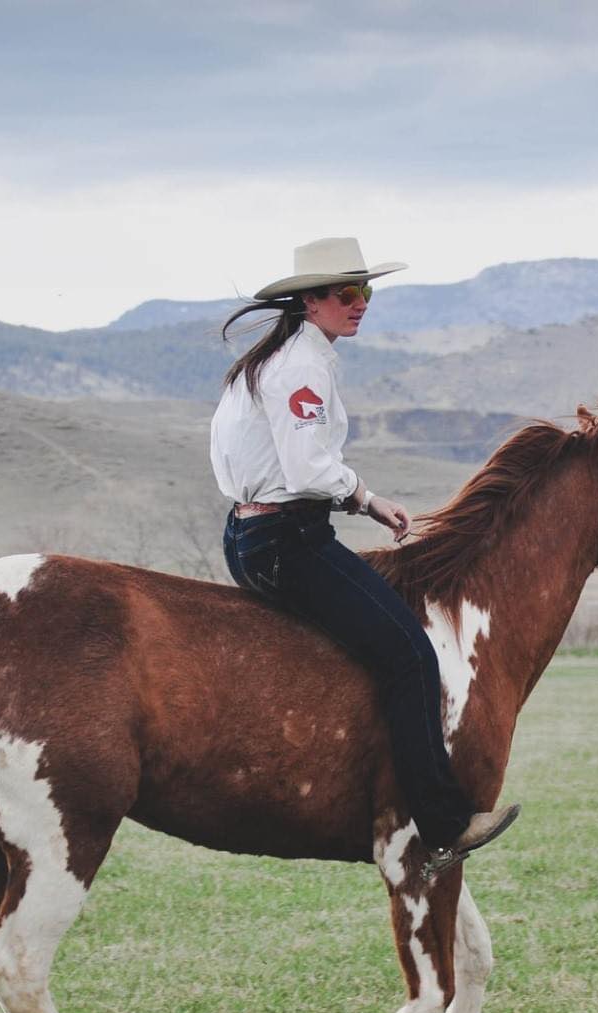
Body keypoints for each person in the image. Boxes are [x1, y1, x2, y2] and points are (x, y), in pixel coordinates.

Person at [210, 237, 518, 875]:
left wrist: (365, 502)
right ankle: (442, 821)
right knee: (411, 654)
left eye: (366, 291)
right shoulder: (302, 366)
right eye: (347, 293)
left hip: (254, 532)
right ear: (311, 300)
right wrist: (363, 494)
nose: (360, 304)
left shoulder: (282, 359)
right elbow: (305, 466)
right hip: (286, 541)